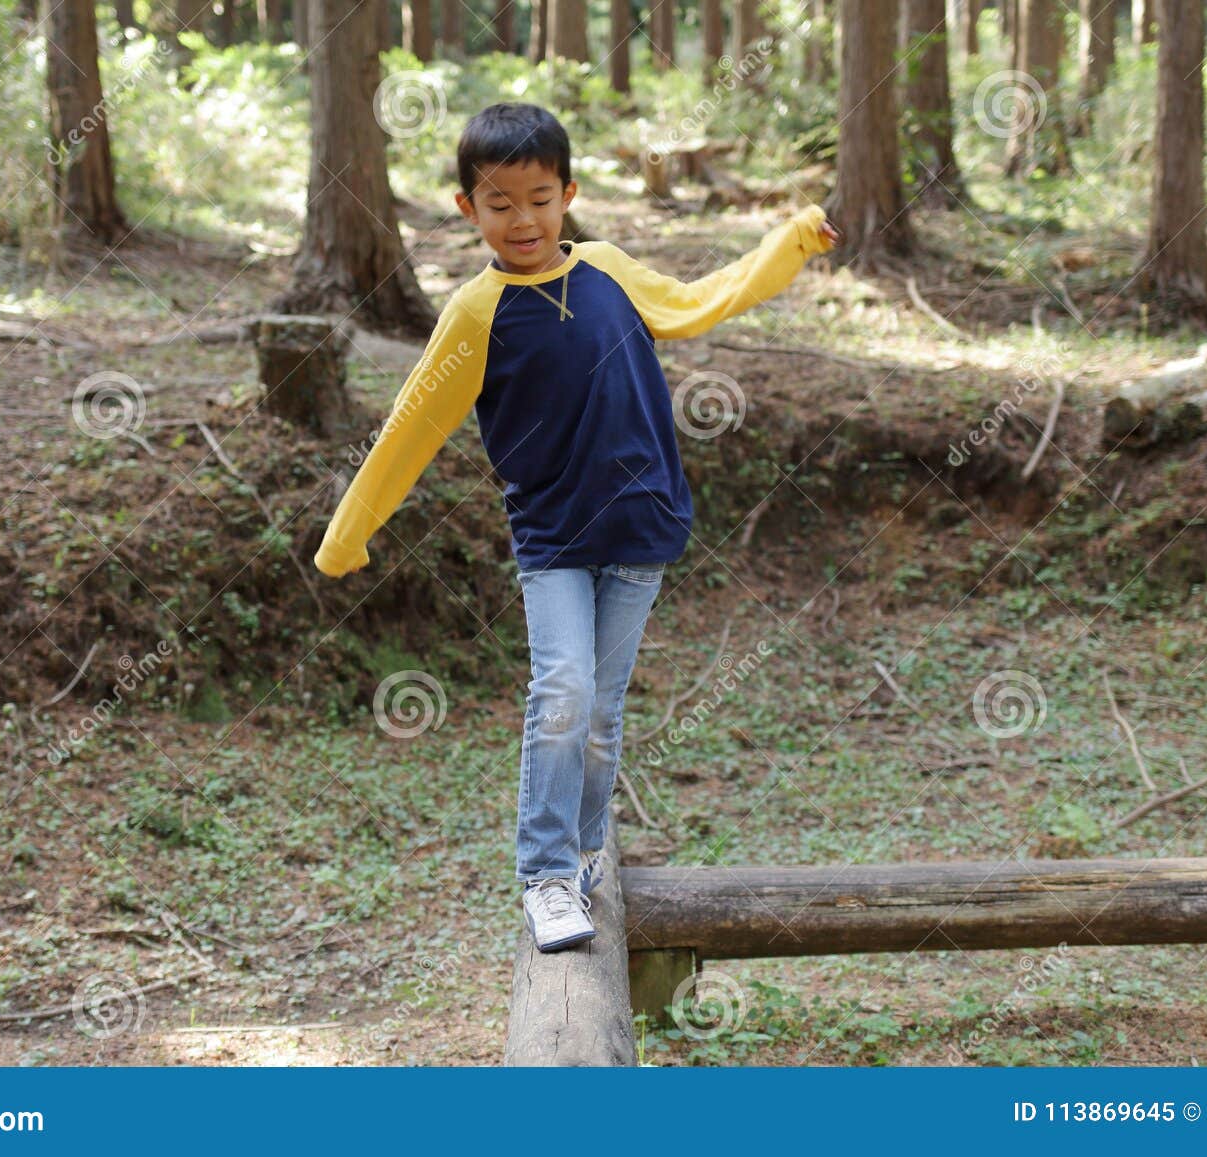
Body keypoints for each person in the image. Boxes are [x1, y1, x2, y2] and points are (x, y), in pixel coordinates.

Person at [313, 101, 839, 952]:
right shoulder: (477, 314)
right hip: (552, 537)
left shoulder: (609, 270)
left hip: (640, 527)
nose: (522, 219)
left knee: (600, 712)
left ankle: (590, 853)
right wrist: (350, 530)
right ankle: (548, 875)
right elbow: (412, 422)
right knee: (562, 694)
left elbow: (701, 302)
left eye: (540, 198)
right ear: (466, 210)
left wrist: (792, 243)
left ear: (568, 194)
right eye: (500, 203)